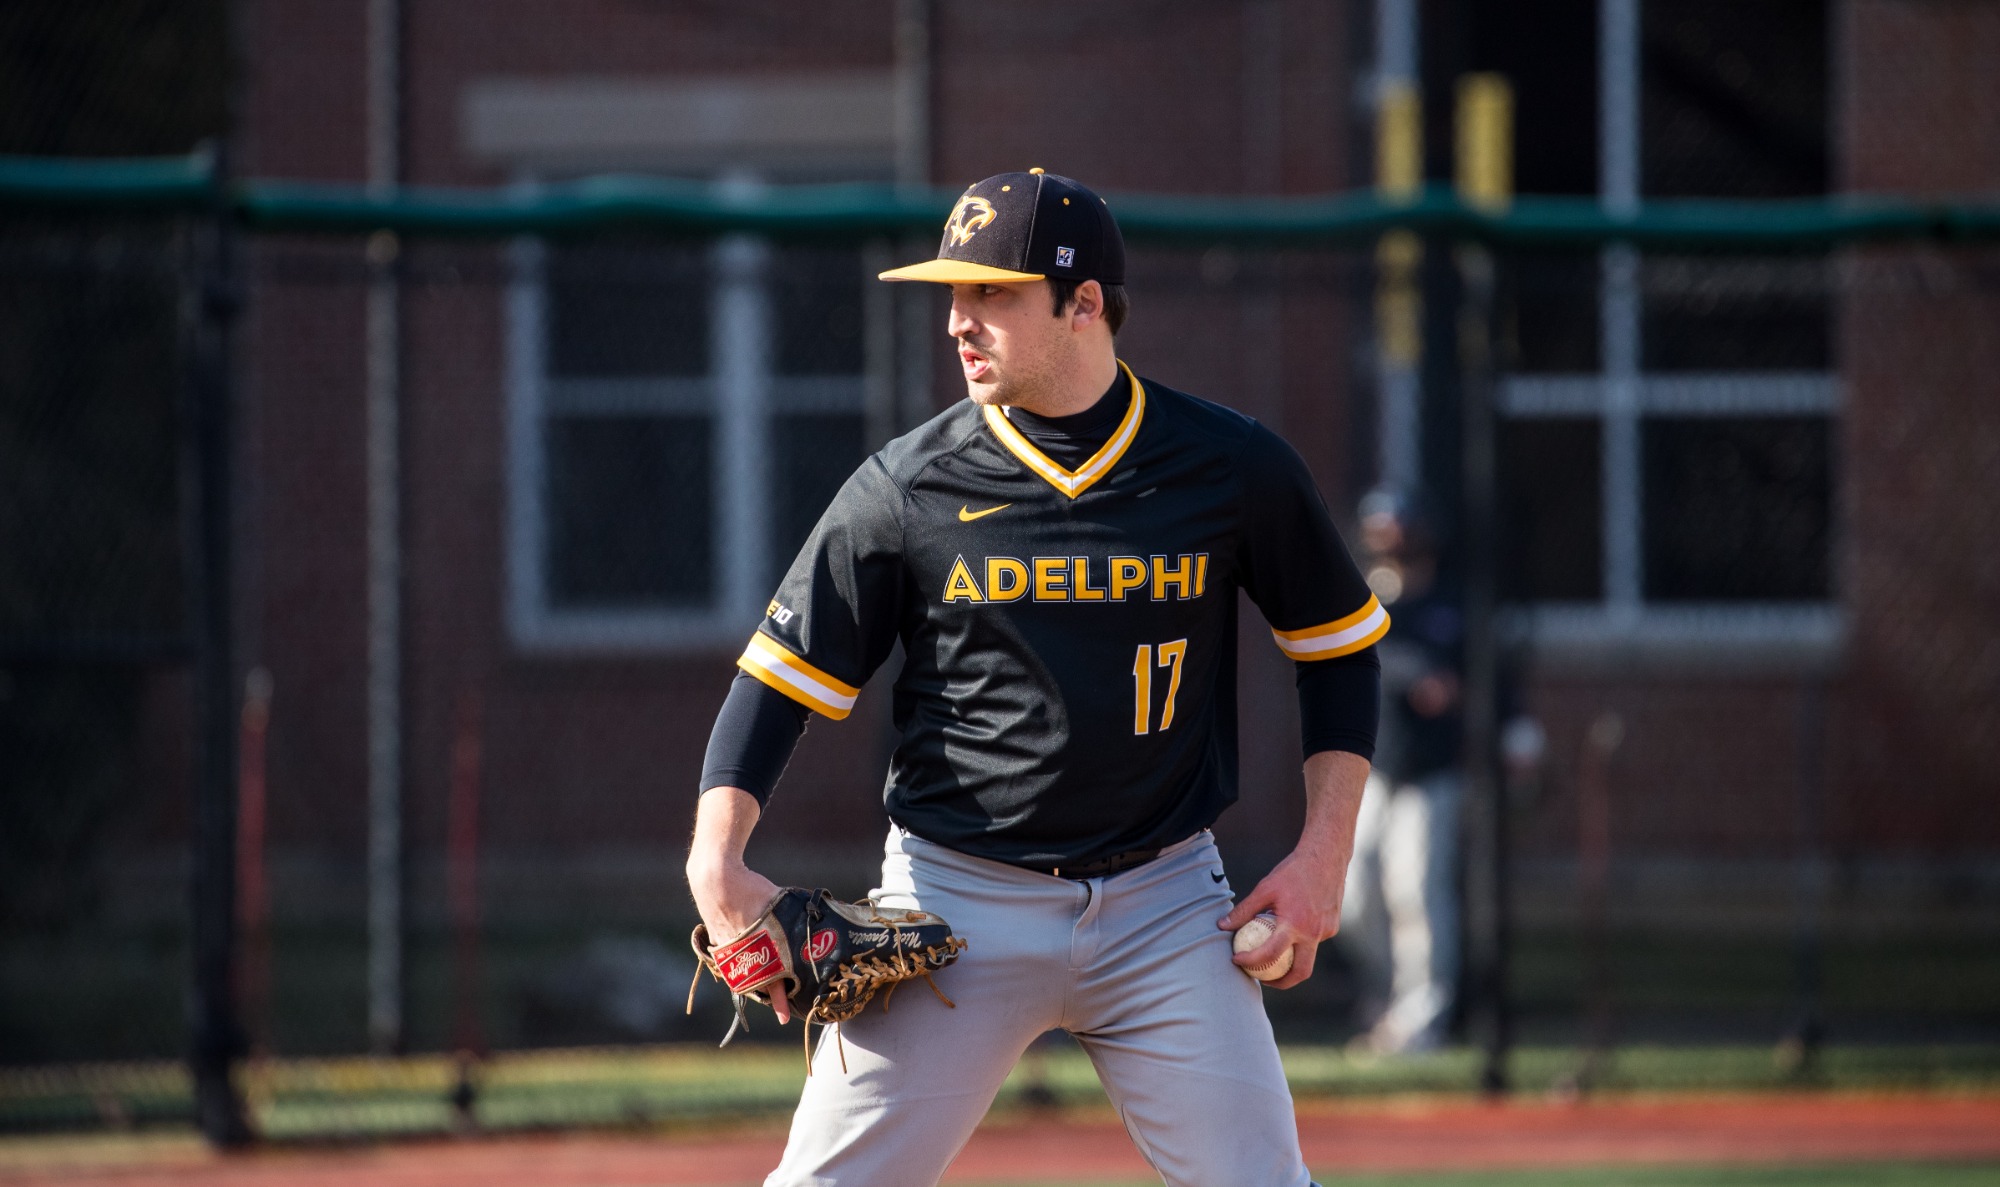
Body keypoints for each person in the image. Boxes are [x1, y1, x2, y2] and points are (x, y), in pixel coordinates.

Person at [685, 169, 1388, 1187]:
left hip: (1166, 905)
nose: (957, 323)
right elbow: (778, 680)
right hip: (955, 904)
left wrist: (1323, 859)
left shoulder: (1228, 464)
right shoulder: (906, 483)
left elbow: (1336, 650)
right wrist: (717, 859)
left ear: (1084, 303)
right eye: (953, 296)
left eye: (991, 294)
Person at [1338, 490, 1464, 1055]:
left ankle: (1422, 1016)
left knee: (1414, 890)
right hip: (1374, 768)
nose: (1389, 545)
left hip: (1432, 771)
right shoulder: (1365, 600)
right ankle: (1387, 997)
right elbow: (1357, 651)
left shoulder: (1449, 606)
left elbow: (1483, 683)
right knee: (1352, 894)